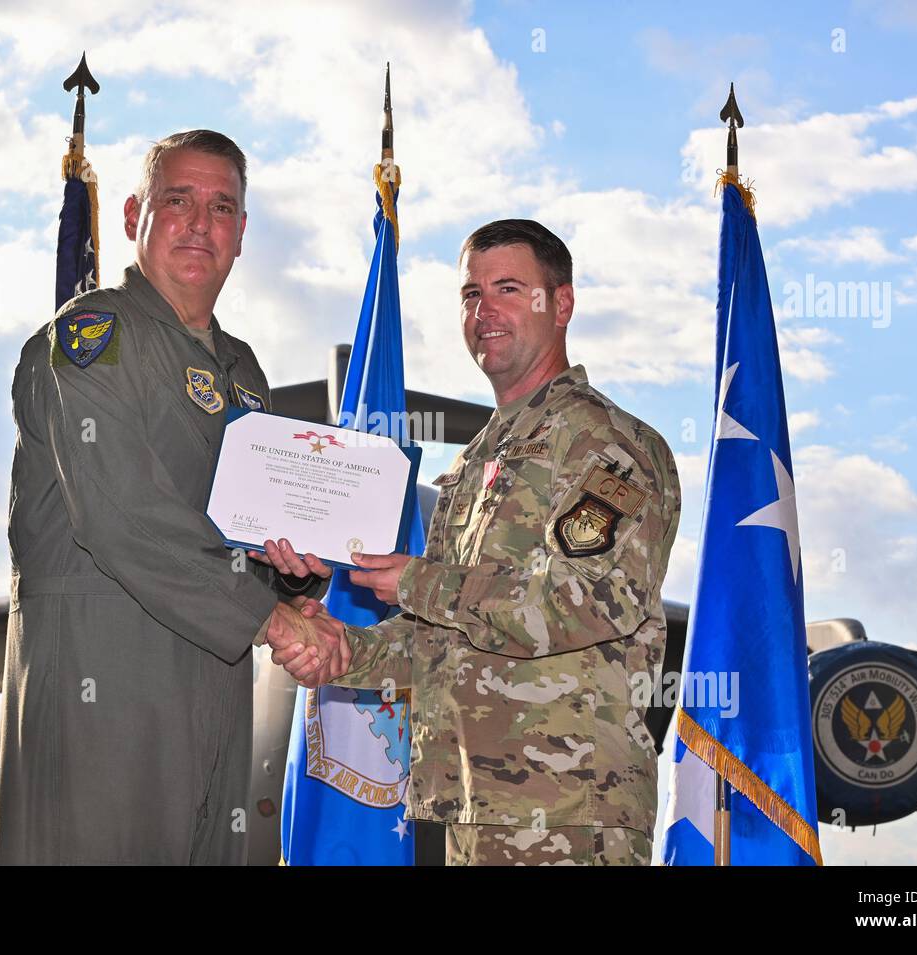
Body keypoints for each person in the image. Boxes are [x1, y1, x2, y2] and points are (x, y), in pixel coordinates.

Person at [270, 219, 681, 865]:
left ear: (562, 303)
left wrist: (414, 580)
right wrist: (339, 648)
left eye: (509, 288)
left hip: (570, 815)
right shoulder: (471, 464)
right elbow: (441, 637)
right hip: (472, 805)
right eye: (470, 294)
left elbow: (587, 602)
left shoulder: (605, 443)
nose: (484, 310)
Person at [0, 129, 345, 865]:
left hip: (216, 691)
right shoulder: (88, 341)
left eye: (222, 208)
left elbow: (243, 526)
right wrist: (271, 619)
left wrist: (295, 573)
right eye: (176, 200)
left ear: (242, 235)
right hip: (106, 693)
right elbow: (125, 516)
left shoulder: (241, 370)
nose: (199, 223)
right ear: (133, 216)